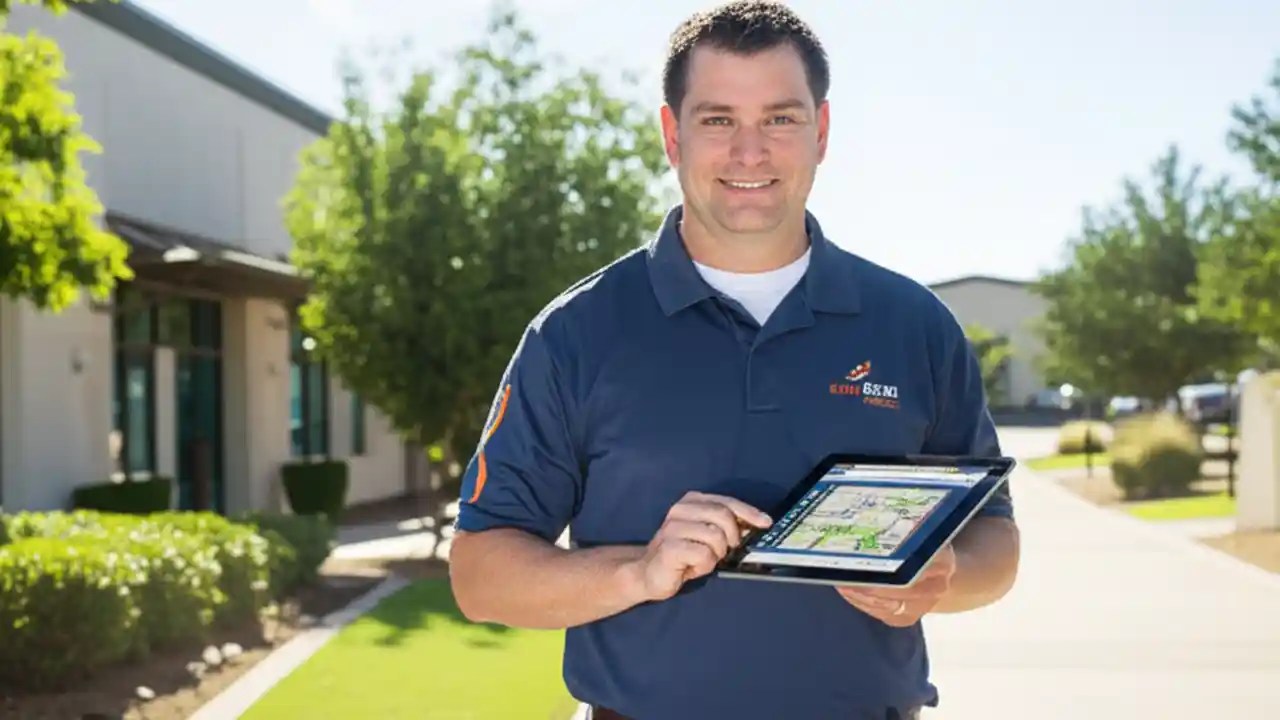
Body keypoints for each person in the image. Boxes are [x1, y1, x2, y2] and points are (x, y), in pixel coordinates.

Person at [448, 2, 1021, 718]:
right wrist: (639, 570)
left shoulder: (915, 326)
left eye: (780, 118)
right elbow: (479, 575)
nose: (750, 152)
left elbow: (996, 542)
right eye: (718, 119)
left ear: (821, 132)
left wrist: (946, 576)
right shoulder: (576, 333)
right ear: (671, 135)